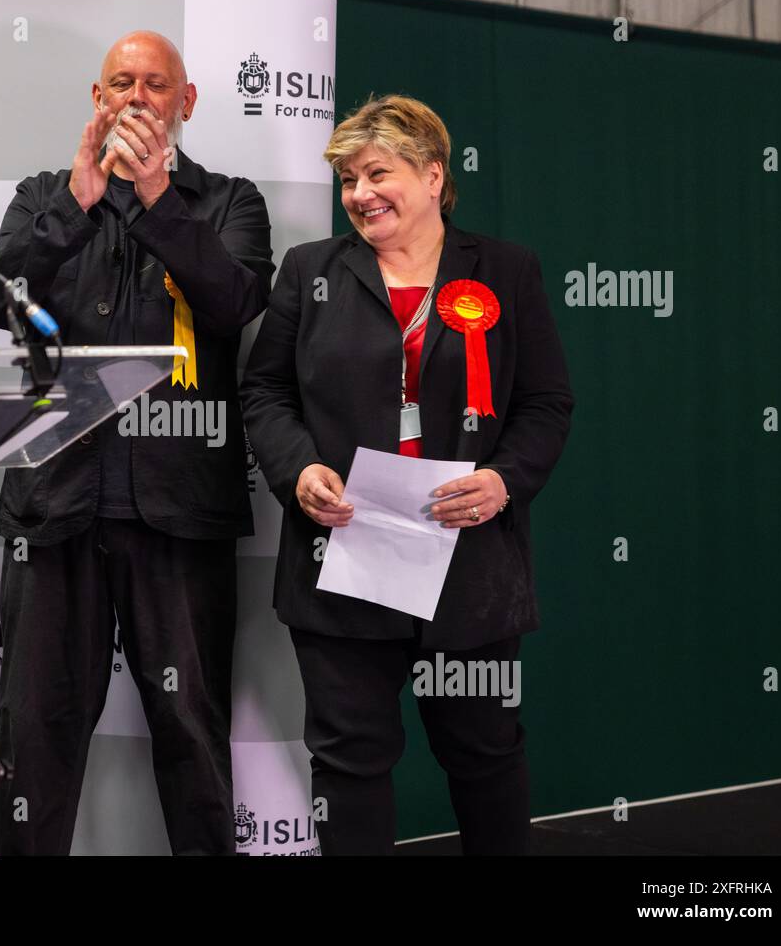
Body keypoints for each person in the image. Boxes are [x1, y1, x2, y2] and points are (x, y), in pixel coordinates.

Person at [240, 94, 574, 855]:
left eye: (377, 173)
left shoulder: (508, 271)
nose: (360, 194)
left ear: (432, 176)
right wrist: (300, 471)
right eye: (349, 179)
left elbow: (547, 403)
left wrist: (504, 481)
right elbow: (264, 391)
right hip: (344, 559)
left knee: (485, 755)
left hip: (470, 558)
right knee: (348, 759)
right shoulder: (308, 271)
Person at [0, 30, 274, 855]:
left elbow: (234, 301)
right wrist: (78, 199)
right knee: (35, 734)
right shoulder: (44, 193)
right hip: (53, 507)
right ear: (95, 98)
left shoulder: (230, 200)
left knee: (191, 727)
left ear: (187, 101)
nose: (136, 98)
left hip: (180, 512)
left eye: (155, 84)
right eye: (120, 84)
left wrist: (154, 197)